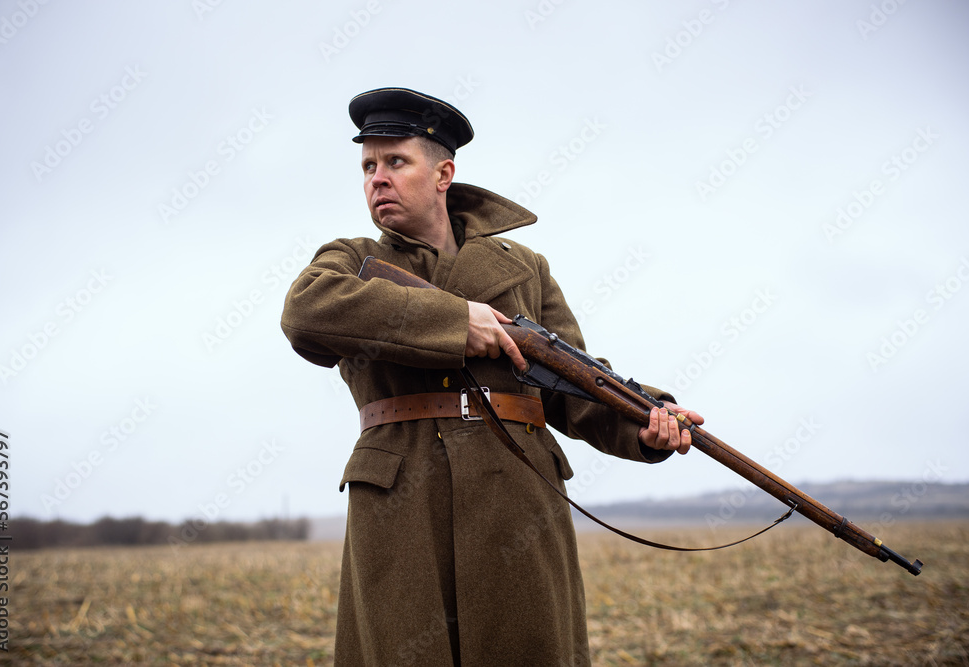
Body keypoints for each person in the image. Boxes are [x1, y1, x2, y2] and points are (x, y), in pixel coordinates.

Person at [280, 87, 703, 666]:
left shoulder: (525, 268)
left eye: (395, 162)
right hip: (401, 496)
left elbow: (577, 386)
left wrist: (646, 418)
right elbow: (304, 312)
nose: (377, 178)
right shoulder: (349, 261)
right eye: (368, 166)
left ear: (443, 173)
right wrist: (457, 322)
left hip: (516, 496)